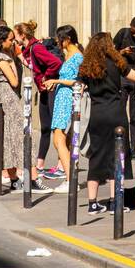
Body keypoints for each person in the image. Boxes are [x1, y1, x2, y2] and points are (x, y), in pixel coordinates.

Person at [79, 31, 135, 216]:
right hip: (116, 113)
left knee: (97, 157)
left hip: (97, 114)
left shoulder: (87, 67)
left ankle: (92, 203)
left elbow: (79, 87)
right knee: (117, 157)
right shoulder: (117, 63)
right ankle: (114, 201)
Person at [0, 24, 42, 191]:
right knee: (22, 137)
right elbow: (15, 82)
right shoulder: (2, 58)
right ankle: (33, 179)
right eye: (10, 40)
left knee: (7, 139)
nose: (13, 43)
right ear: (2, 41)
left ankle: (14, 178)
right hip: (9, 100)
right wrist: (12, 63)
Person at [15, 22, 62, 178]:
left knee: (56, 128)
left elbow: (55, 63)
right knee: (45, 127)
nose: (15, 38)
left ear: (23, 35)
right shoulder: (30, 49)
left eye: (16, 35)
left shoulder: (37, 48)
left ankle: (62, 164)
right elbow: (32, 65)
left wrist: (45, 77)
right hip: (43, 91)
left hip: (50, 90)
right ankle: (40, 163)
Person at [44, 25, 84, 186]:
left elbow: (78, 81)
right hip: (62, 97)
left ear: (67, 40)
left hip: (67, 98)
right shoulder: (69, 55)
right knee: (61, 139)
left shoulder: (77, 57)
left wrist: (57, 81)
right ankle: (69, 176)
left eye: (60, 40)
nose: (58, 43)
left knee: (59, 139)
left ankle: (70, 179)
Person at [113, 17, 135, 157]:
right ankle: (121, 145)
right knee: (120, 112)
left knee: (134, 115)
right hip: (123, 76)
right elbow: (112, 52)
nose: (134, 35)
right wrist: (123, 52)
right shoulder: (123, 33)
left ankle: (133, 148)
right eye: (133, 32)